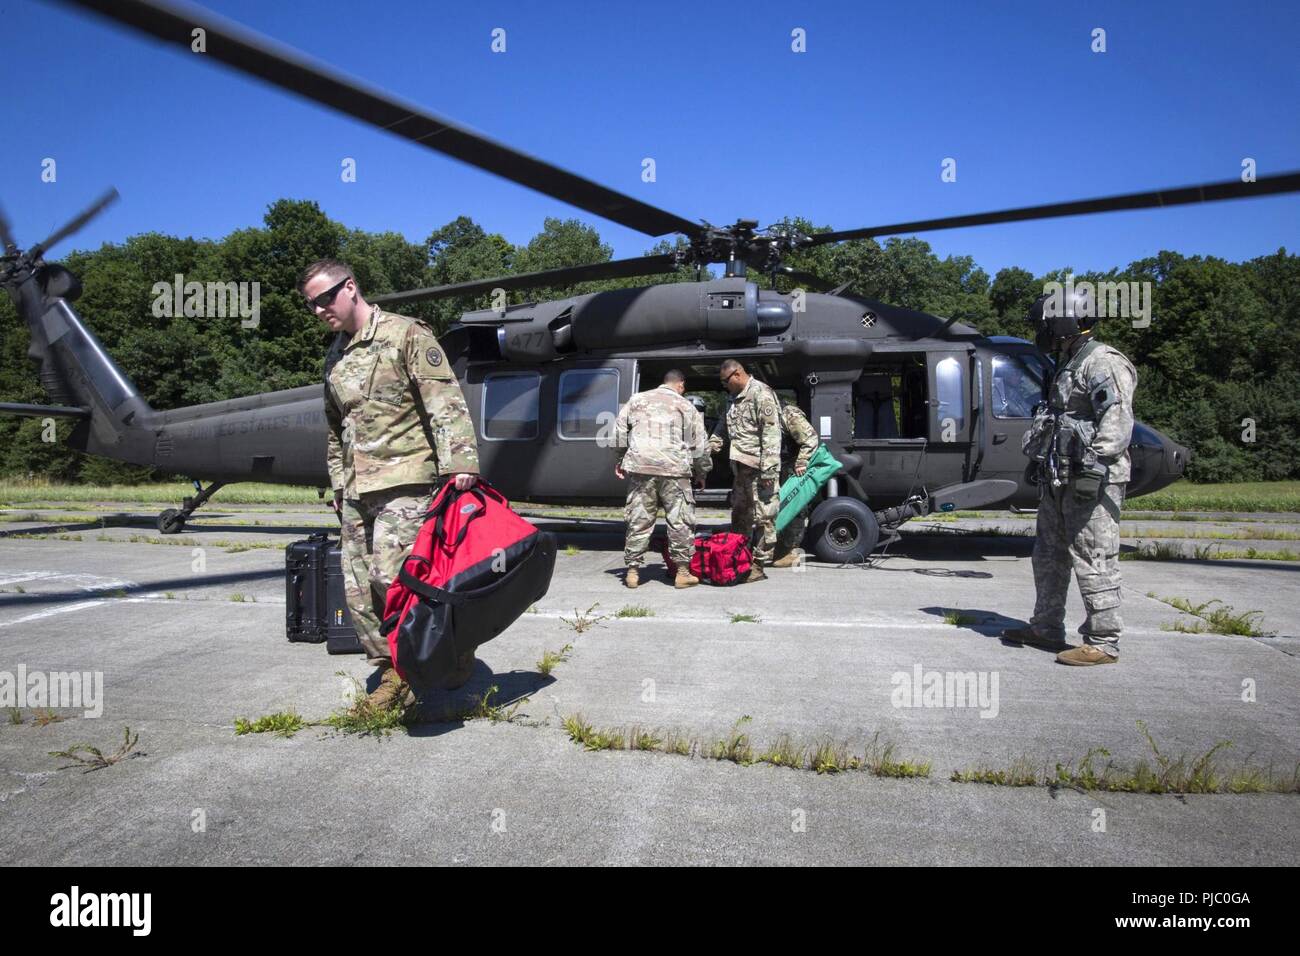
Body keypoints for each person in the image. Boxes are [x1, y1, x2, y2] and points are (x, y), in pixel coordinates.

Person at [305, 258, 480, 707]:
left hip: (407, 477)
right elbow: (335, 427)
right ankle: (390, 670)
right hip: (356, 486)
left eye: (325, 298)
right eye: (311, 305)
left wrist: (461, 464)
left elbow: (444, 400)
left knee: (393, 576)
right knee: (358, 586)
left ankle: (452, 650)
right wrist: (339, 486)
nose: (320, 310)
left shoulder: (406, 334)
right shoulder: (336, 355)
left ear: (350, 287)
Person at [1003, 290, 1137, 666]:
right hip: (1060, 477)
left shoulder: (1102, 363)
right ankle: (1046, 628)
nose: (1040, 331)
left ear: (1064, 321)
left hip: (1091, 481)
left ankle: (1104, 641)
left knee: (1095, 557)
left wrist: (1094, 468)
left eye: (1045, 323)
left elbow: (1117, 420)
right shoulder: (1067, 361)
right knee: (1047, 557)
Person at [613, 369, 710, 588]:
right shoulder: (686, 405)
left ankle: (632, 572)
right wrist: (702, 472)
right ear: (681, 385)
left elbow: (618, 431)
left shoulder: (636, 400)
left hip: (641, 467)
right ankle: (682, 573)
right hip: (674, 471)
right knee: (679, 521)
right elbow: (700, 444)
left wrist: (620, 459)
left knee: (639, 519)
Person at [708, 359, 781, 582]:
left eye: (725, 381)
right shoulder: (732, 398)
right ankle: (740, 559)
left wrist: (769, 471)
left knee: (764, 517)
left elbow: (771, 434)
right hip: (740, 468)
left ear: (737, 374)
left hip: (760, 470)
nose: (724, 386)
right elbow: (723, 425)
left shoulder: (761, 393)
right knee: (740, 515)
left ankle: (758, 565)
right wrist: (711, 444)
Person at [770, 400, 820, 568]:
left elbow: (810, 438)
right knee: (779, 509)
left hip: (793, 468)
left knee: (794, 509)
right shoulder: (768, 412)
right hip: (778, 468)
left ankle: (792, 552)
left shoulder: (787, 413)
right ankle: (781, 549)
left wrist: (801, 462)